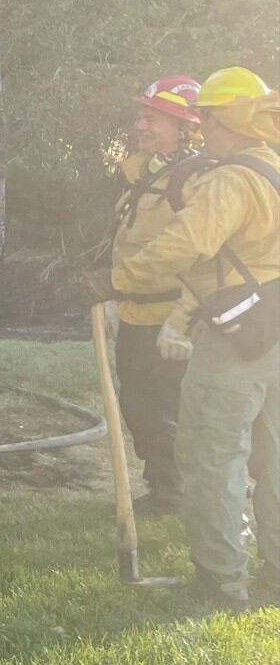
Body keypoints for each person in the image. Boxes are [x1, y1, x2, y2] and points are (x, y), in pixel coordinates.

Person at [110, 66, 280, 612]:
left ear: (213, 118)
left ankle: (220, 584)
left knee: (211, 455)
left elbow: (184, 245)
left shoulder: (231, 179)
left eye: (204, 114)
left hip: (238, 336)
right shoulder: (272, 165)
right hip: (272, 325)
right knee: (273, 455)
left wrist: (117, 281)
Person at [103, 76, 203, 516]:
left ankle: (182, 492)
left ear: (184, 128)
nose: (141, 126)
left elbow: (202, 255)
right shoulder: (142, 172)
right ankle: (164, 484)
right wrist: (113, 297)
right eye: (141, 117)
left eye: (153, 119)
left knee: (170, 411)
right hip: (135, 313)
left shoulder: (196, 179)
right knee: (138, 404)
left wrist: (183, 320)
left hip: (169, 320)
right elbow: (129, 242)